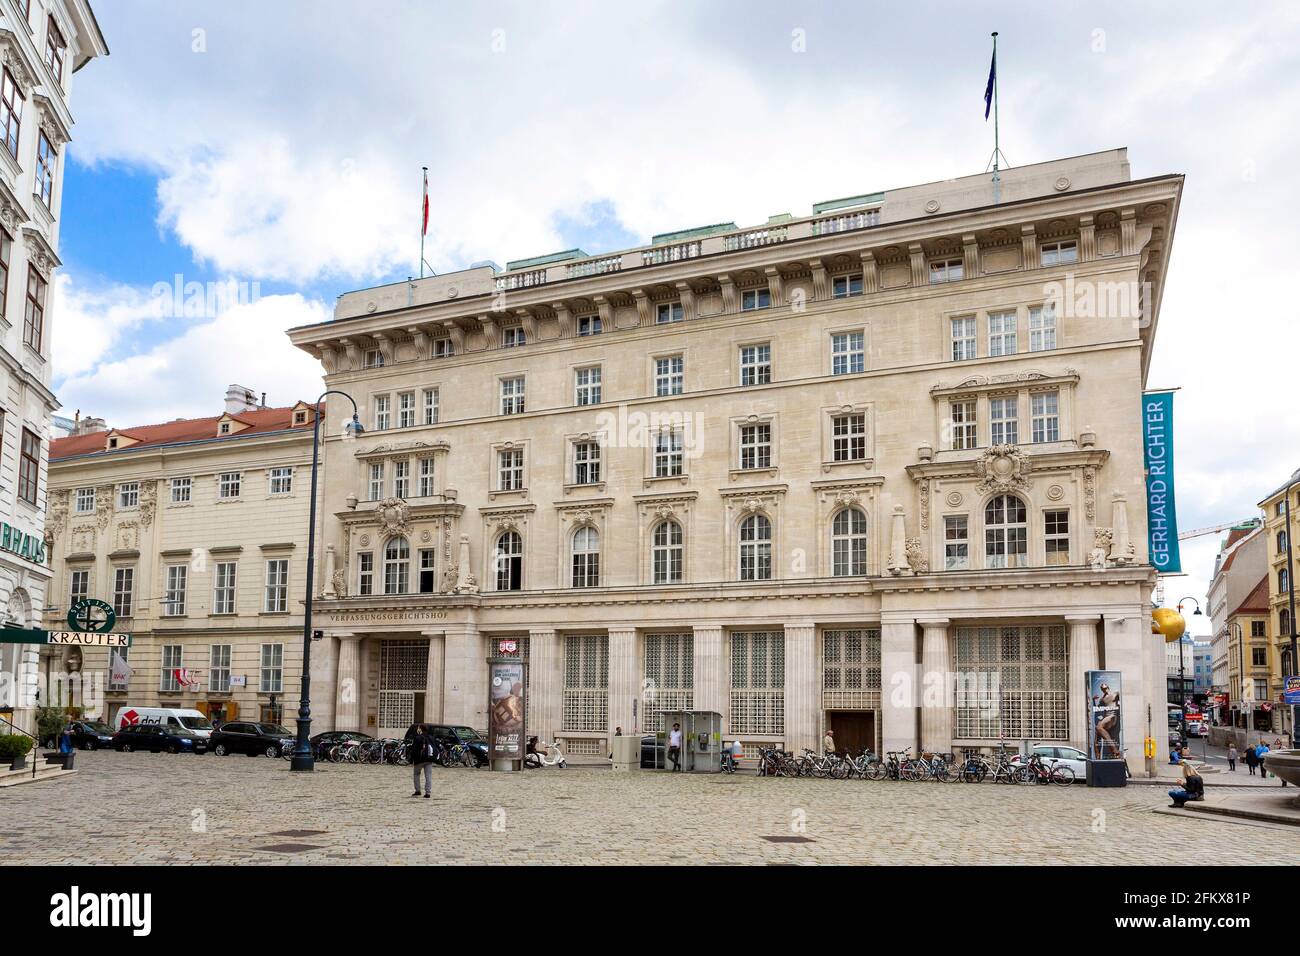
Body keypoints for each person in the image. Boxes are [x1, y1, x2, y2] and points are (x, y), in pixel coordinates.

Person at [409, 724, 436, 798]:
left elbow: (414, 750)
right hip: (429, 759)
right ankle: (428, 792)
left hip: (419, 759)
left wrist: (411, 761)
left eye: (418, 728)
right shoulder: (431, 737)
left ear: (420, 729)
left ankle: (418, 790)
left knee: (416, 774)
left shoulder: (417, 738)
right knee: (428, 776)